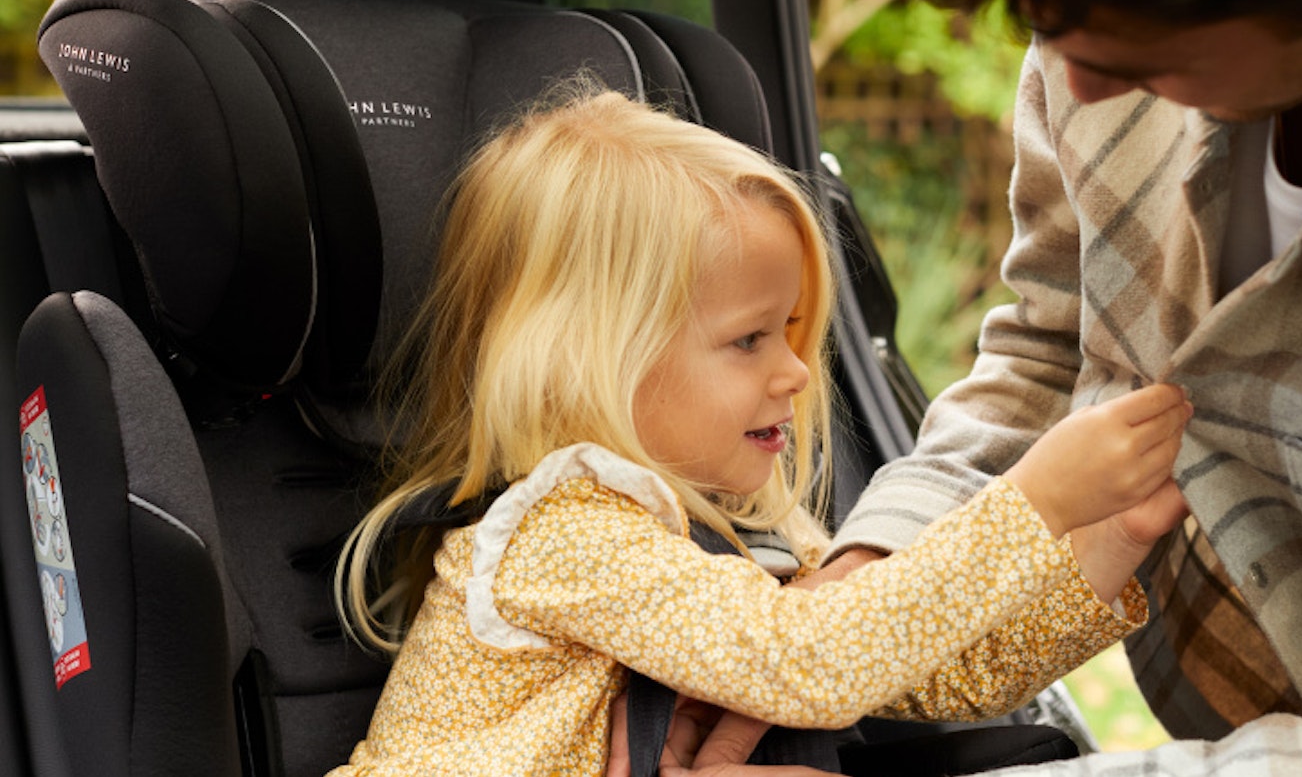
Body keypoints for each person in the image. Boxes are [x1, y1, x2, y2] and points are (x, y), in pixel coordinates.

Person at [323, 87, 1192, 776]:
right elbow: (815, 663)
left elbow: (931, 670)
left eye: (792, 331)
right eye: (748, 339)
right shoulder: (561, 537)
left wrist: (1110, 538)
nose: (797, 372)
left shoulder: (719, 546)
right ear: (589, 360)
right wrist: (1032, 503)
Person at [783, 0, 1302, 774]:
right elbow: (1056, 349)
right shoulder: (1091, 23)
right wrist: (863, 593)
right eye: (1043, 21)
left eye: (1141, 47)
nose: (1078, 84)